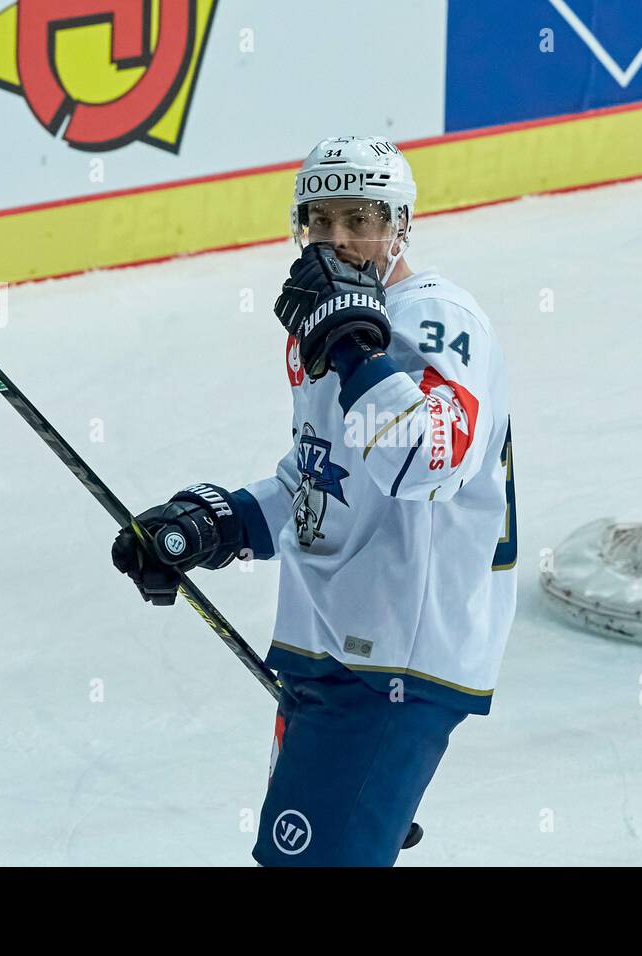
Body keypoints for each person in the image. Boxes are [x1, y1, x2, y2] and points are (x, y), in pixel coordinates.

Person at [112, 135, 517, 866]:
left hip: (397, 662)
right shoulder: (321, 332)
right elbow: (320, 480)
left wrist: (357, 349)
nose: (338, 240)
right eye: (320, 220)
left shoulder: (434, 318)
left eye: (361, 218)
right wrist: (216, 522)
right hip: (325, 646)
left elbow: (425, 460)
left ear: (401, 226)